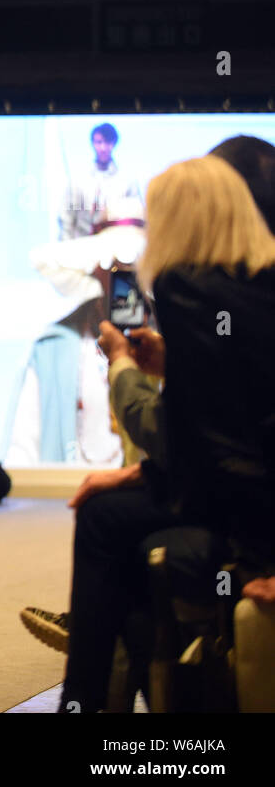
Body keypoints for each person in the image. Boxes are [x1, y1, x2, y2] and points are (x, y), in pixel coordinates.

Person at [53, 155, 275, 712]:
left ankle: (85, 696)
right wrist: (173, 367)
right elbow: (240, 413)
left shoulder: (188, 288)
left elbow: (190, 440)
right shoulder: (258, 286)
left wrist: (124, 368)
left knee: (104, 519)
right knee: (126, 526)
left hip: (245, 509)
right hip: (254, 492)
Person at [59, 122, 143, 241]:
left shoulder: (127, 182)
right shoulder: (77, 181)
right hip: (81, 249)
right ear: (93, 143)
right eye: (99, 142)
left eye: (107, 142)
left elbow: (136, 218)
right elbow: (66, 218)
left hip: (116, 249)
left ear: (113, 144)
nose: (103, 148)